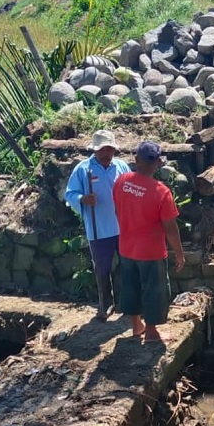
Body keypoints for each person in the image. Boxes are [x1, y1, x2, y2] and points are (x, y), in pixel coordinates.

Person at [113, 141, 185, 343]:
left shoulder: (121, 181)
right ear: (158, 163)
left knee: (131, 286)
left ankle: (136, 325)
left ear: (136, 160)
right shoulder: (161, 192)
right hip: (151, 252)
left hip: (126, 247)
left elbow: (117, 210)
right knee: (154, 290)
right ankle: (152, 332)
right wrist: (179, 254)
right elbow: (171, 229)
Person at [65, 130, 131, 320]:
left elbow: (132, 188)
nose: (105, 153)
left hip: (123, 227)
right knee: (102, 268)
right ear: (94, 150)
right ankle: (106, 304)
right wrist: (83, 199)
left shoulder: (121, 166)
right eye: (102, 149)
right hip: (98, 229)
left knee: (129, 266)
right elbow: (70, 194)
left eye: (109, 149)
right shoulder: (83, 169)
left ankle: (129, 303)